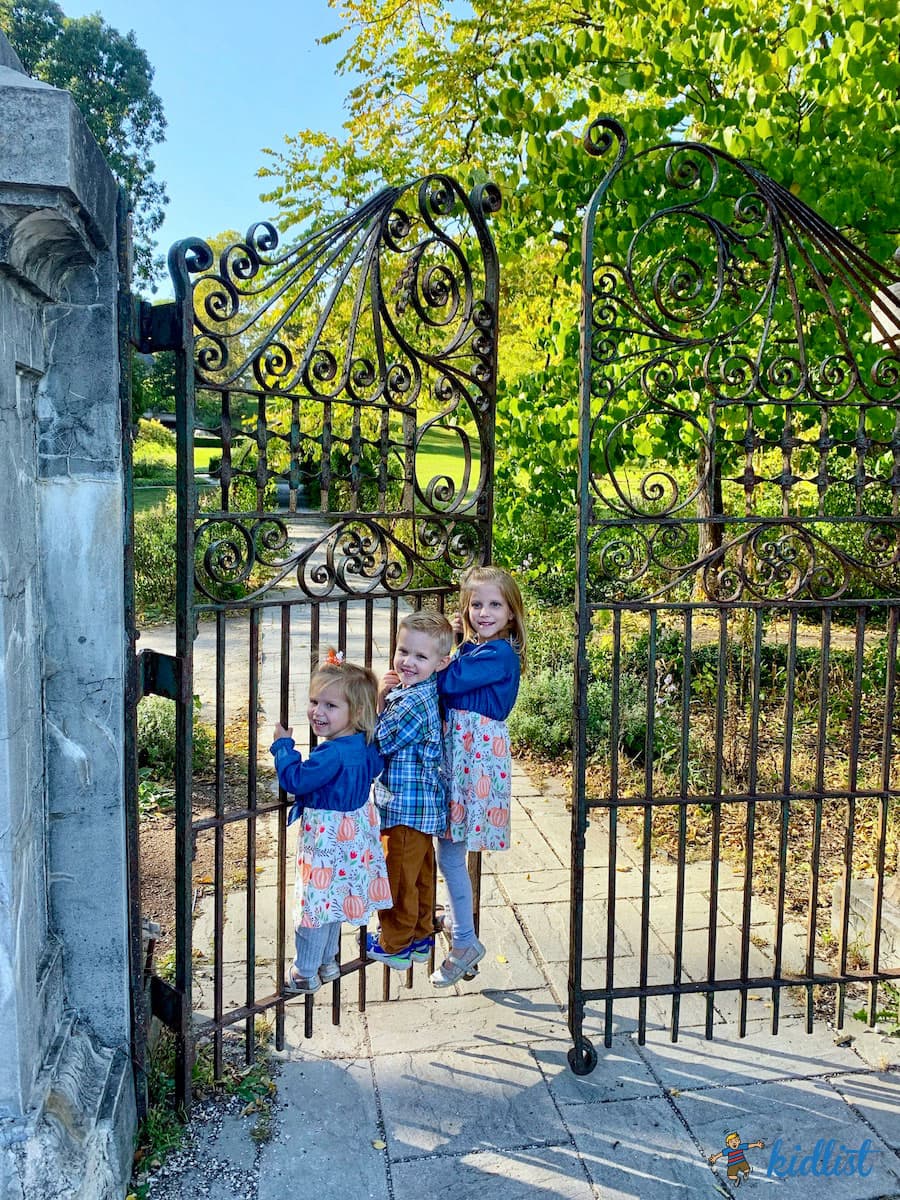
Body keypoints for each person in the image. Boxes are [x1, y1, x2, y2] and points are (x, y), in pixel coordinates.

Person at [270, 652, 391, 995]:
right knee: (333, 899)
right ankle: (329, 961)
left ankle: (305, 971)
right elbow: (375, 769)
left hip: (326, 839)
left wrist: (283, 746)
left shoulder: (332, 753)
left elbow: (295, 779)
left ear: (356, 712)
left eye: (330, 706)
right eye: (314, 701)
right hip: (353, 835)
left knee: (313, 904)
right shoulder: (366, 746)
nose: (317, 712)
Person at [432, 565, 526, 987]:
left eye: (494, 604)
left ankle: (464, 937)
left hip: (475, 760)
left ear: (511, 613)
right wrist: (454, 642)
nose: (483, 612)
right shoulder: (477, 648)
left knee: (450, 851)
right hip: (464, 757)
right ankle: (457, 925)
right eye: (476, 604)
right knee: (450, 850)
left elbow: (449, 682)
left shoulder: (499, 652)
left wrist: (439, 651)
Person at [367, 611, 453, 972]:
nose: (408, 662)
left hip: (404, 808)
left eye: (420, 657)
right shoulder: (417, 691)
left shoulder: (412, 704)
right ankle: (419, 935)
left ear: (441, 662)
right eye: (403, 651)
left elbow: (380, 740)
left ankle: (395, 943)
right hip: (419, 808)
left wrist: (377, 701)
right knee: (419, 875)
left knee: (396, 877)